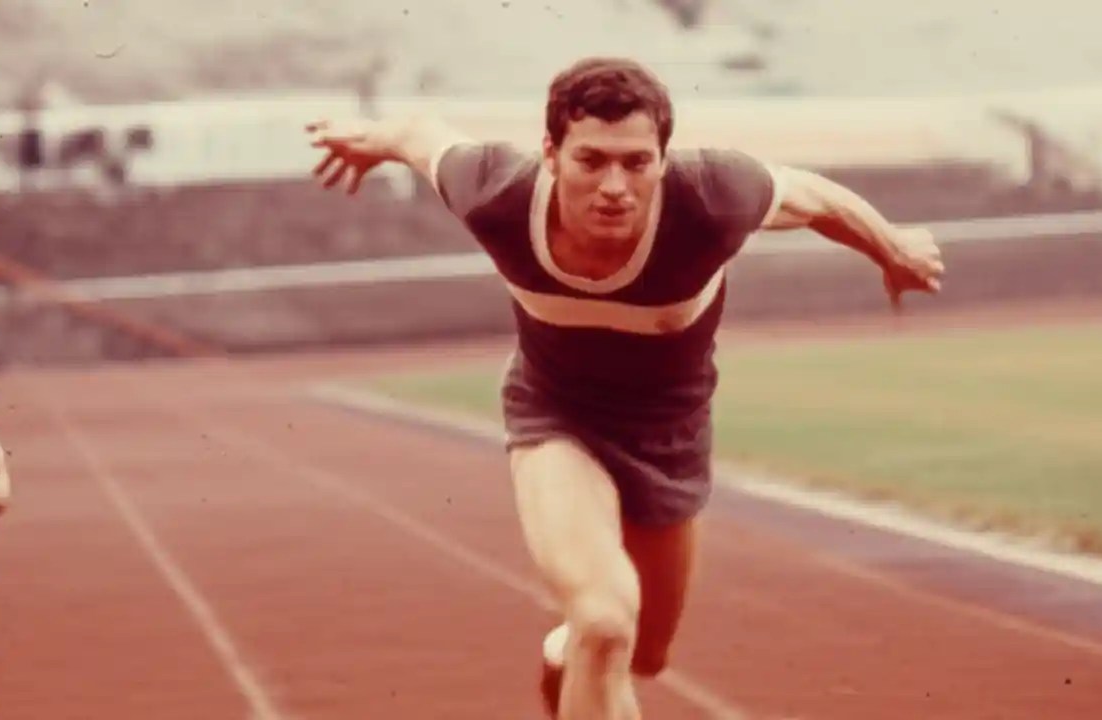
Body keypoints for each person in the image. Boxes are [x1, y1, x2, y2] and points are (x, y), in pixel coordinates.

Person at [306, 56, 943, 719]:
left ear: (663, 161)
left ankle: (564, 656)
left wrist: (892, 248)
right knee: (606, 621)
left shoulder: (711, 198)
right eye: (592, 161)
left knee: (645, 654)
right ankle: (584, 643)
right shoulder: (498, 194)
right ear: (551, 154)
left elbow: (813, 197)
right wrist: (367, 141)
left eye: (636, 163)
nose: (615, 186)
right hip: (557, 420)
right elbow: (419, 135)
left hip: (670, 435)